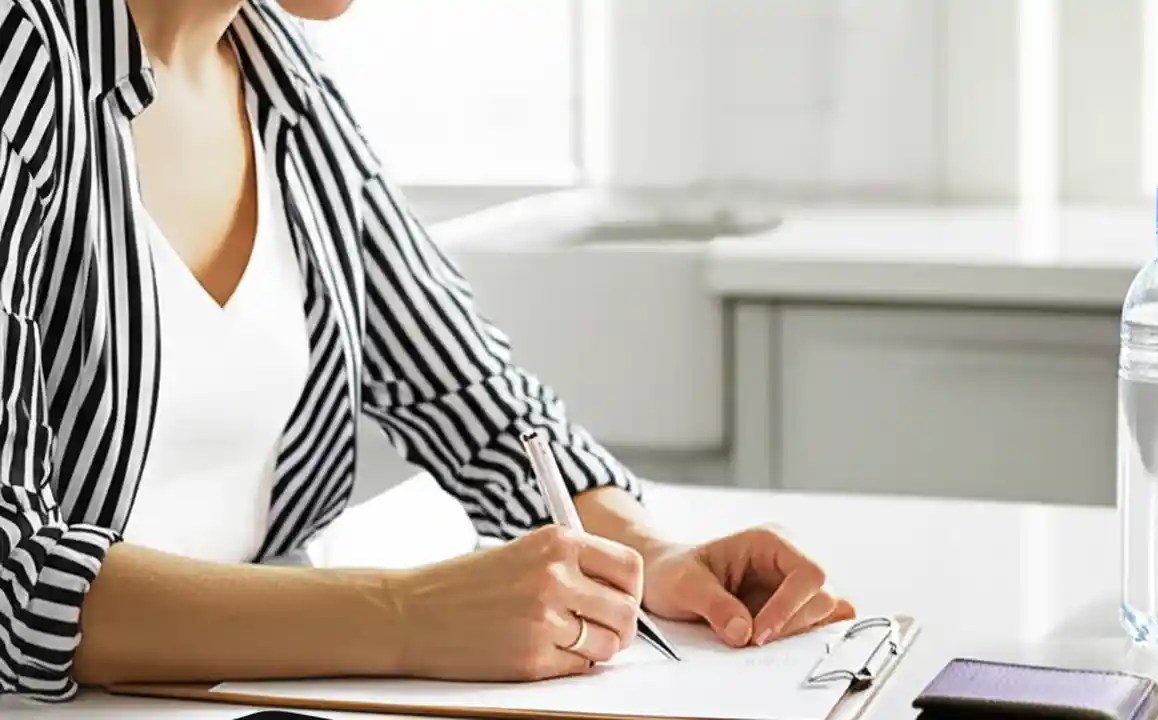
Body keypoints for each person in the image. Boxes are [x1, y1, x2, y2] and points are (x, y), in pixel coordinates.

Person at [0, 0, 855, 701]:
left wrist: (652, 552)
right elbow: (12, 573)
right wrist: (406, 615)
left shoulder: (277, 72)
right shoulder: (22, 64)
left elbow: (476, 399)